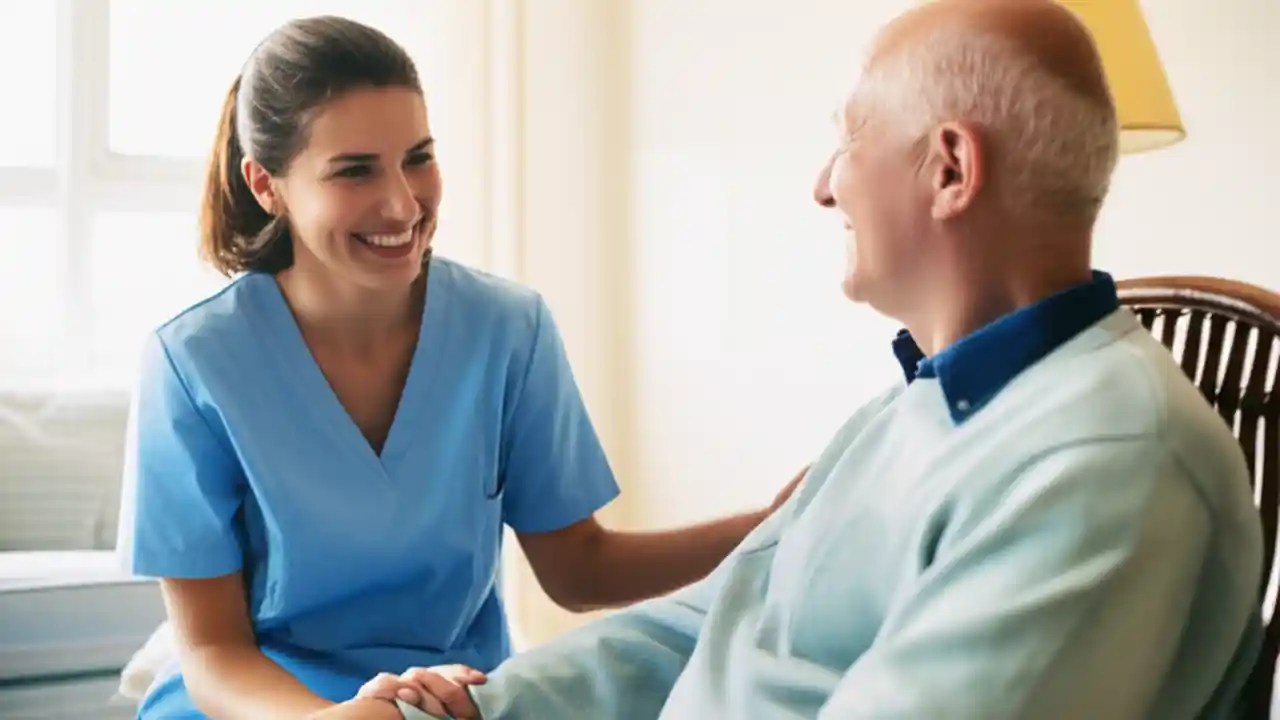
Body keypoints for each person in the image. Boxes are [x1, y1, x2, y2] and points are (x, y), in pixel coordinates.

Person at [377, 1, 1265, 718]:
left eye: (850, 136)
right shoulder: (913, 408)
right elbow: (703, 625)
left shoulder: (1108, 466)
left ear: (950, 168)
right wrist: (463, 712)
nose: (823, 183)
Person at [115, 15, 802, 720]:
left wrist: (777, 522)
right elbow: (212, 653)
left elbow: (579, 568)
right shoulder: (194, 363)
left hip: (452, 698)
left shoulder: (506, 330)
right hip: (262, 706)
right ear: (267, 185)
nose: (403, 203)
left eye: (418, 157)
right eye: (355, 170)